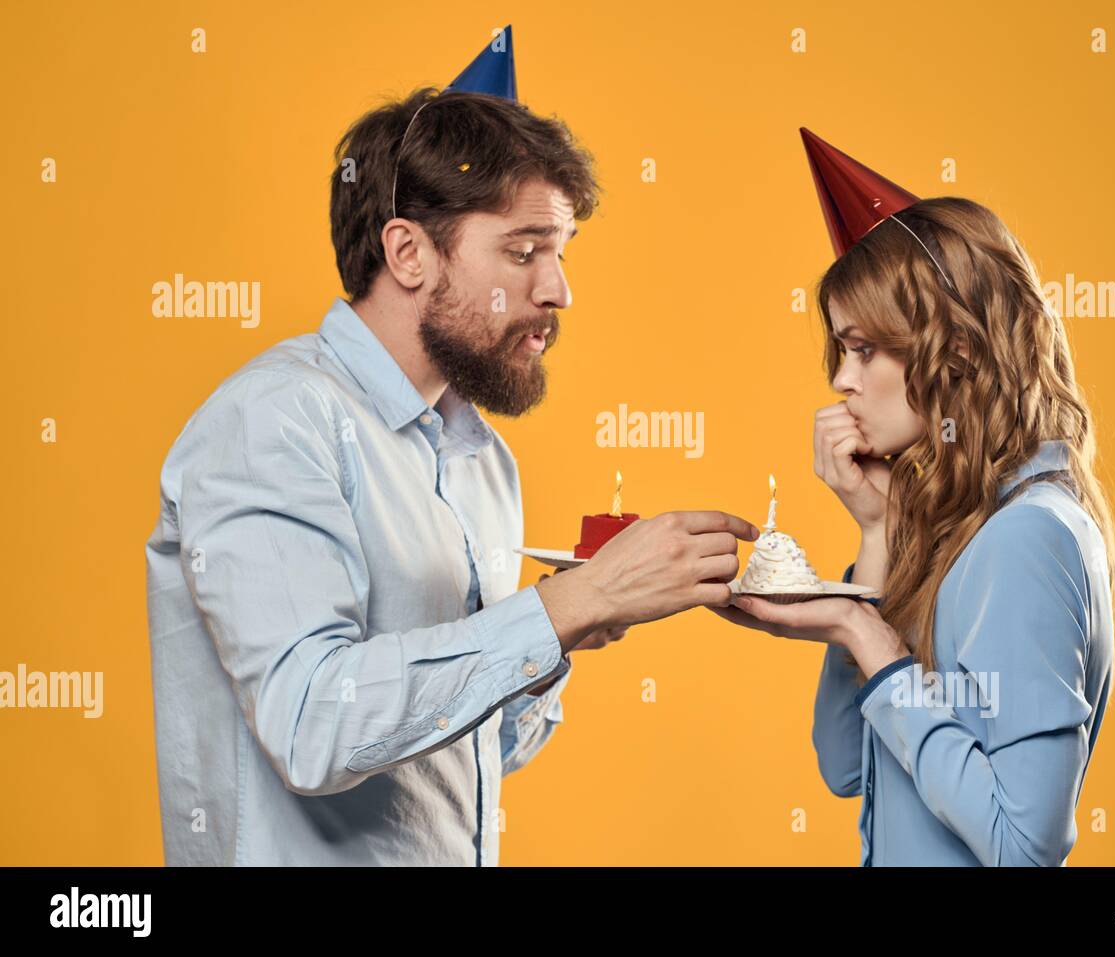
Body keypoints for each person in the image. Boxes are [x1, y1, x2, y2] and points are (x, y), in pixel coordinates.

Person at [144, 32, 757, 866]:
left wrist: (561, 639)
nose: (559, 290)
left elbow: (467, 759)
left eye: (562, 252)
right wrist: (564, 608)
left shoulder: (482, 462)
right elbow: (313, 724)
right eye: (524, 249)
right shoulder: (274, 420)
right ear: (408, 252)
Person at [711, 128, 1115, 866]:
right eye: (841, 351)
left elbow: (1024, 848)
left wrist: (867, 637)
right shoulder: (967, 532)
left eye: (864, 348)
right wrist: (879, 535)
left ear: (956, 349)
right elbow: (845, 765)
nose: (841, 380)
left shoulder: (1029, 538)